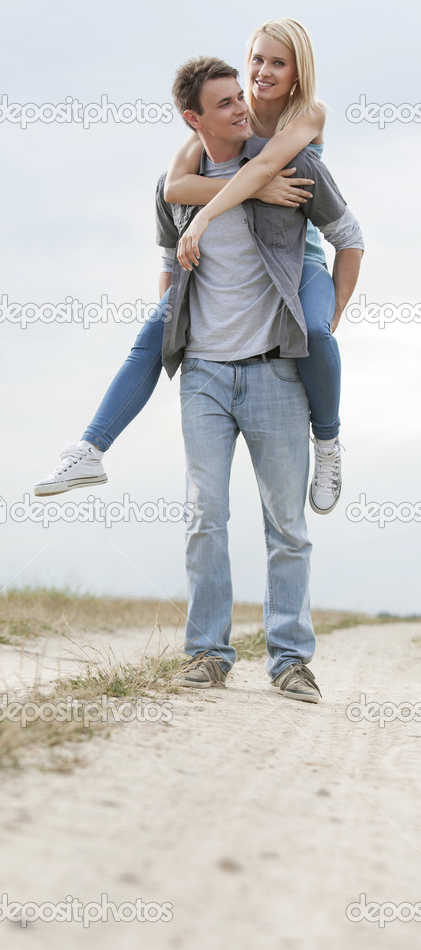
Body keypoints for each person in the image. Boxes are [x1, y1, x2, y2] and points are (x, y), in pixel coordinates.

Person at [34, 18, 346, 514]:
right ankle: (90, 449)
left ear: (297, 71)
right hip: (235, 260)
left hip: (295, 257)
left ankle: (327, 444)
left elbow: (266, 168)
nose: (262, 73)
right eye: (257, 60)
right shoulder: (225, 114)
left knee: (315, 331)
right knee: (153, 331)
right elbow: (174, 186)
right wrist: (234, 202)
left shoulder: (306, 114)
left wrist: (206, 218)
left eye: (277, 63)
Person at [162, 55, 363, 704]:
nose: (247, 94)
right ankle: (208, 653)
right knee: (204, 517)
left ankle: (289, 660)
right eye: (232, 92)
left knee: (286, 524)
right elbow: (171, 252)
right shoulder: (185, 175)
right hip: (206, 376)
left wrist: (326, 319)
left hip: (276, 369)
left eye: (267, 69)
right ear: (197, 120)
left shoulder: (294, 158)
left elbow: (349, 232)